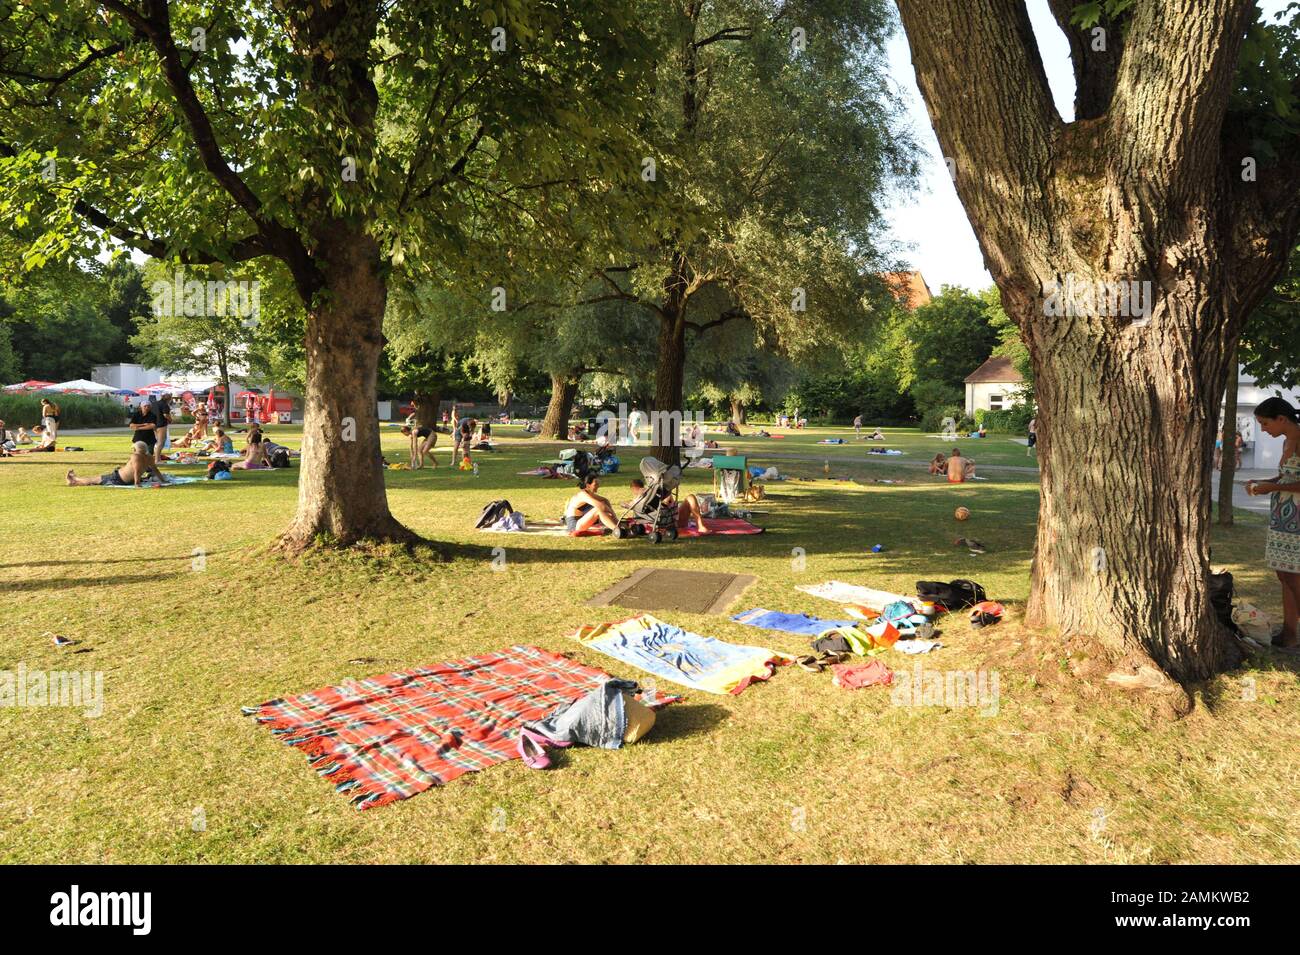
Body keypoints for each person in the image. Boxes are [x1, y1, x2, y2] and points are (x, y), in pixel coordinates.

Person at [1246, 397, 1300, 647]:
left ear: (1282, 418)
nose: (1264, 430)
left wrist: (1270, 487)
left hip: (1297, 518)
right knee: (1284, 575)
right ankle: (1289, 634)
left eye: (1265, 424)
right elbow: (1286, 476)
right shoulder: (1286, 441)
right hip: (1282, 517)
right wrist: (1263, 484)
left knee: (1294, 577)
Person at [629, 478, 712, 534]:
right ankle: (700, 526)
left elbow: (668, 502)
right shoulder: (638, 502)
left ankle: (700, 526)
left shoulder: (653, 493)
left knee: (691, 497)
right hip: (664, 522)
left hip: (670, 518)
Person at [66, 441, 166, 487]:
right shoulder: (149, 457)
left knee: (95, 479)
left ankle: (75, 479)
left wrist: (137, 484)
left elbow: (137, 471)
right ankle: (74, 481)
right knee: (96, 481)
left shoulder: (136, 456)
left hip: (119, 478)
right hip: (125, 479)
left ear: (135, 449)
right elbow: (155, 470)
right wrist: (163, 481)